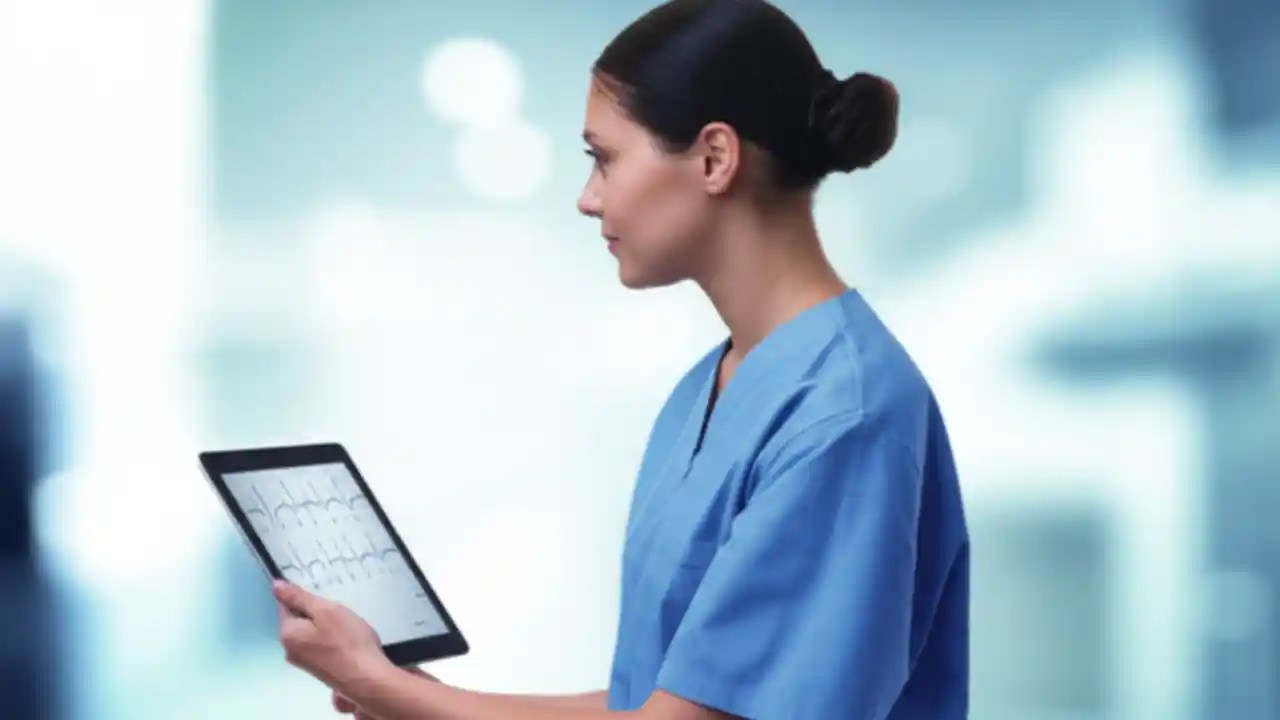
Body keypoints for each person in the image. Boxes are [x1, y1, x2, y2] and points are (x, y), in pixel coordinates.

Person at [270, 1, 969, 718]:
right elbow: (658, 701)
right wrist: (421, 699)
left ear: (714, 158)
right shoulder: (714, 386)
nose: (586, 197)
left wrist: (378, 682)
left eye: (603, 159)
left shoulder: (843, 416)